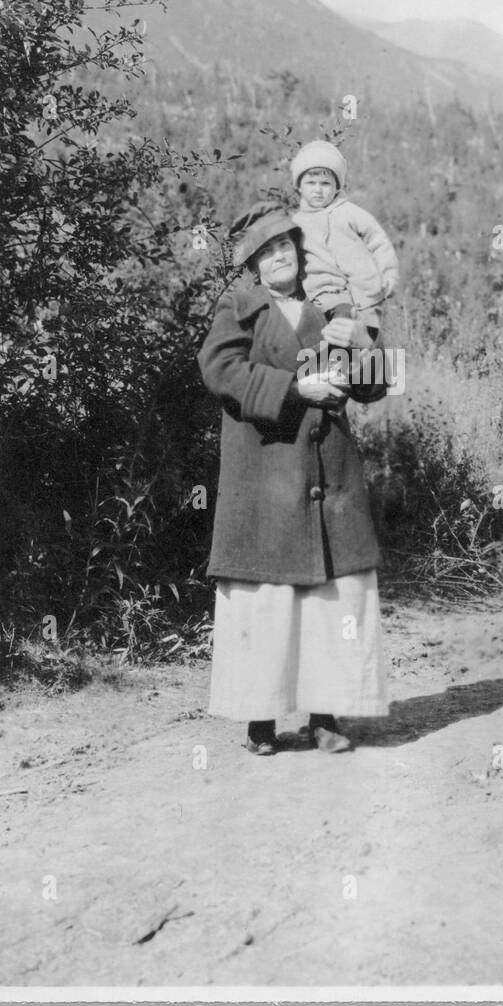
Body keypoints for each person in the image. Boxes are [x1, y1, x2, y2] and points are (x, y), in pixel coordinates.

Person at [198, 201, 390, 756]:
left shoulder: (329, 309)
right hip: (264, 472)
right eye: (268, 250)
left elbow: (375, 385)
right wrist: (294, 390)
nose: (279, 256)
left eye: (287, 246)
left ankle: (324, 718)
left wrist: (361, 345)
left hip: (329, 475)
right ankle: (260, 721)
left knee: (330, 599)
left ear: (299, 254)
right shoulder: (239, 305)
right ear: (253, 264)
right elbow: (218, 370)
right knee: (265, 597)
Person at [290, 140, 399, 334]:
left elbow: (378, 242)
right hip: (323, 296)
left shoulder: (349, 212)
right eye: (310, 183)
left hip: (366, 294)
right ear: (299, 186)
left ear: (337, 187)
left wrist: (388, 274)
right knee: (334, 338)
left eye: (325, 184)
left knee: (368, 342)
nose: (318, 190)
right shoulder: (297, 223)